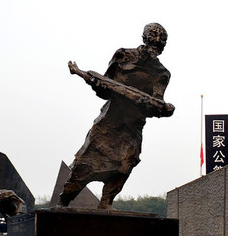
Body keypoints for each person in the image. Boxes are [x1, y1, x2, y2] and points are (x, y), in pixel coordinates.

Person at [58, 23, 175, 210]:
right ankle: (63, 202)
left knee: (125, 165)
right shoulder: (123, 56)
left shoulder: (162, 73)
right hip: (109, 122)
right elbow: (105, 87)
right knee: (85, 164)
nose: (158, 40)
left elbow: (157, 103)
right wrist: (98, 85)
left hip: (132, 127)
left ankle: (106, 202)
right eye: (154, 35)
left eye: (162, 39)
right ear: (144, 37)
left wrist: (163, 109)